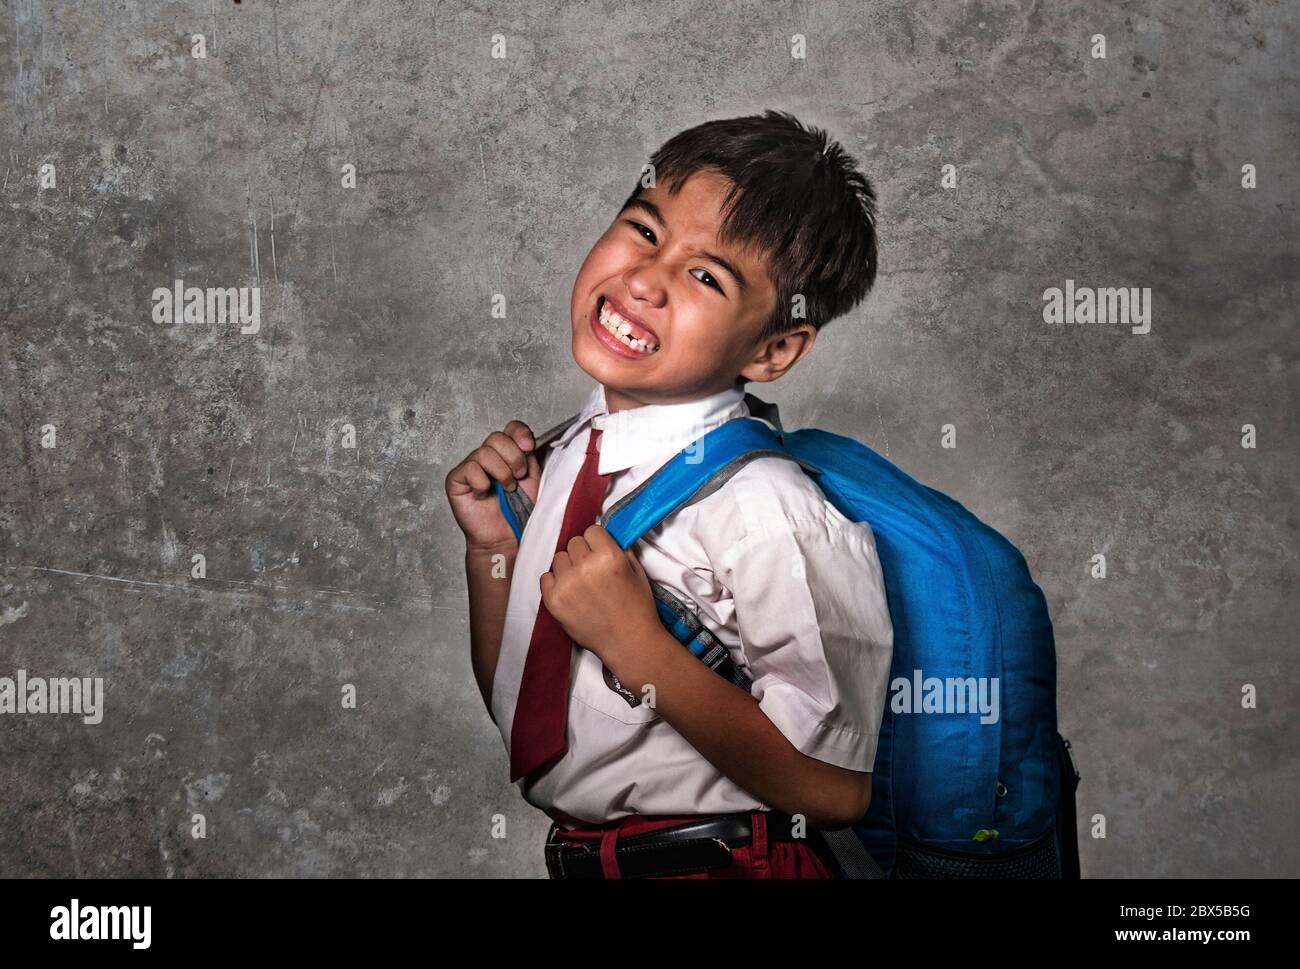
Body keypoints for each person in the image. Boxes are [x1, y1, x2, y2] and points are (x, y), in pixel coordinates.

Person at [445, 110, 893, 878]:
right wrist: (496, 552)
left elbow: (836, 789)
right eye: (645, 230)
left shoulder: (766, 510)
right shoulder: (565, 459)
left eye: (706, 276)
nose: (645, 280)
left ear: (773, 347)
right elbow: (533, 714)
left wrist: (640, 647)